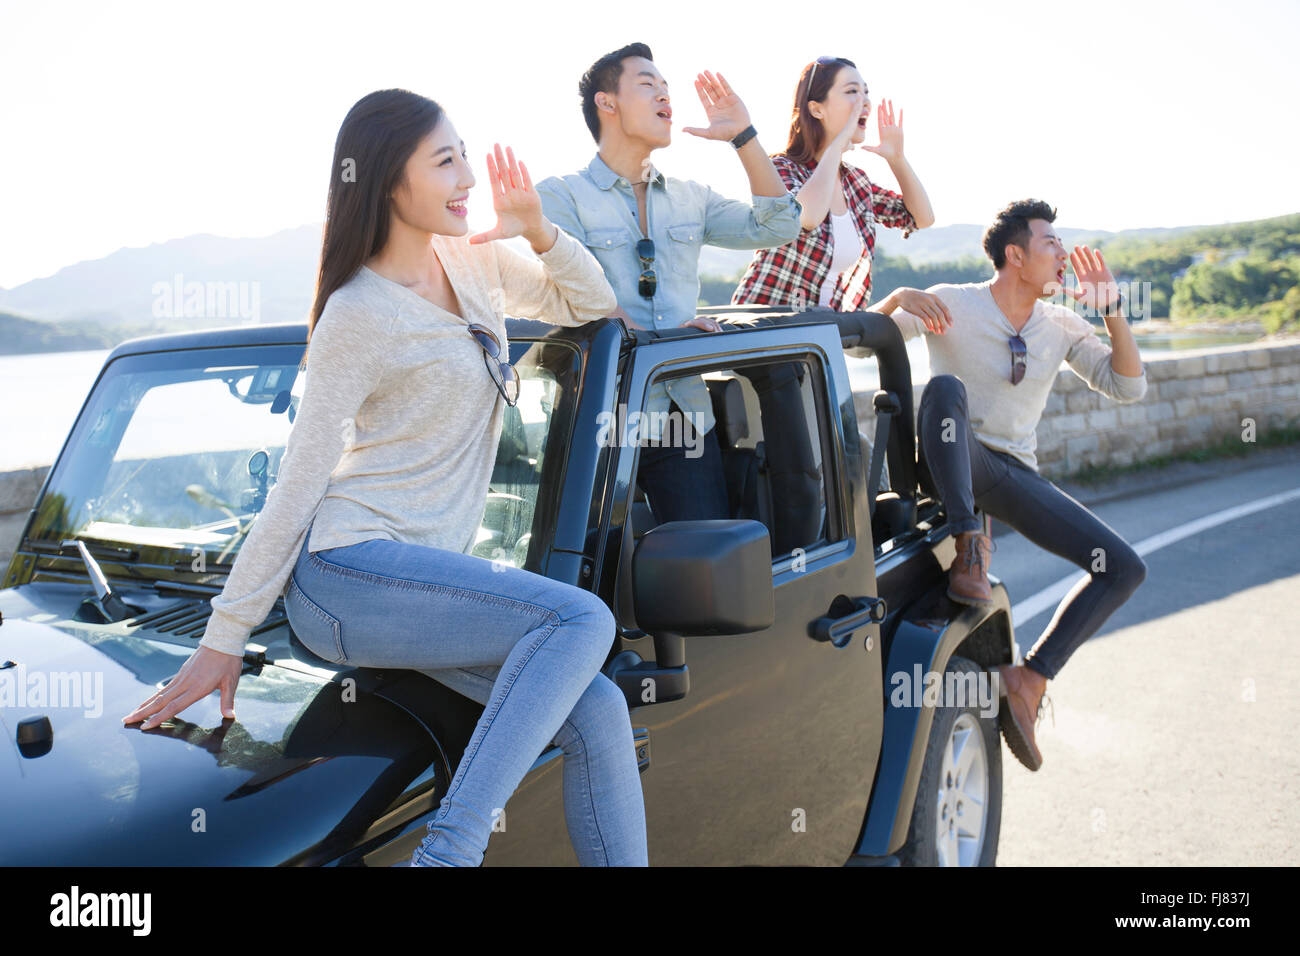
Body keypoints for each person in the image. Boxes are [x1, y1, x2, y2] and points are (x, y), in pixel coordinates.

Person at [122, 89, 649, 866]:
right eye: (445, 160)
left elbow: (594, 303)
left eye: (464, 153)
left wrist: (538, 229)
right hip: (347, 576)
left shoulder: (471, 261)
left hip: (424, 586)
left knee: (596, 705)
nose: (467, 175)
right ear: (385, 182)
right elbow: (300, 485)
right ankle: (450, 850)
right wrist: (223, 638)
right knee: (581, 621)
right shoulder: (355, 314)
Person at [881, 199, 1149, 771]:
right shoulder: (953, 302)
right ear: (1015, 254)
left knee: (1123, 568)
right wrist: (900, 299)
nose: (1062, 255)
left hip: (1009, 476)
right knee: (944, 389)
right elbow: (865, 338)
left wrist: (1113, 311)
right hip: (945, 457)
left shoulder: (1061, 325)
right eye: (1051, 243)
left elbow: (1128, 388)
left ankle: (1029, 679)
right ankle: (968, 545)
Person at [536, 42, 802, 525]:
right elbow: (575, 296)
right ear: (607, 102)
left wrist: (743, 136)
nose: (665, 96)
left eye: (666, 88)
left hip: (684, 418)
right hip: (597, 420)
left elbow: (779, 226)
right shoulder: (558, 197)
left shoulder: (691, 198)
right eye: (647, 84)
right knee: (585, 572)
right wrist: (668, 337)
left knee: (706, 566)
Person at [732, 55, 947, 328]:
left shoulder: (856, 183)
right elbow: (806, 217)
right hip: (760, 337)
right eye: (852, 92)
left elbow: (921, 218)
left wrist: (897, 159)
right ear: (816, 109)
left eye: (866, 92)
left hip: (813, 346)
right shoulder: (782, 169)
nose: (865, 102)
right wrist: (839, 142)